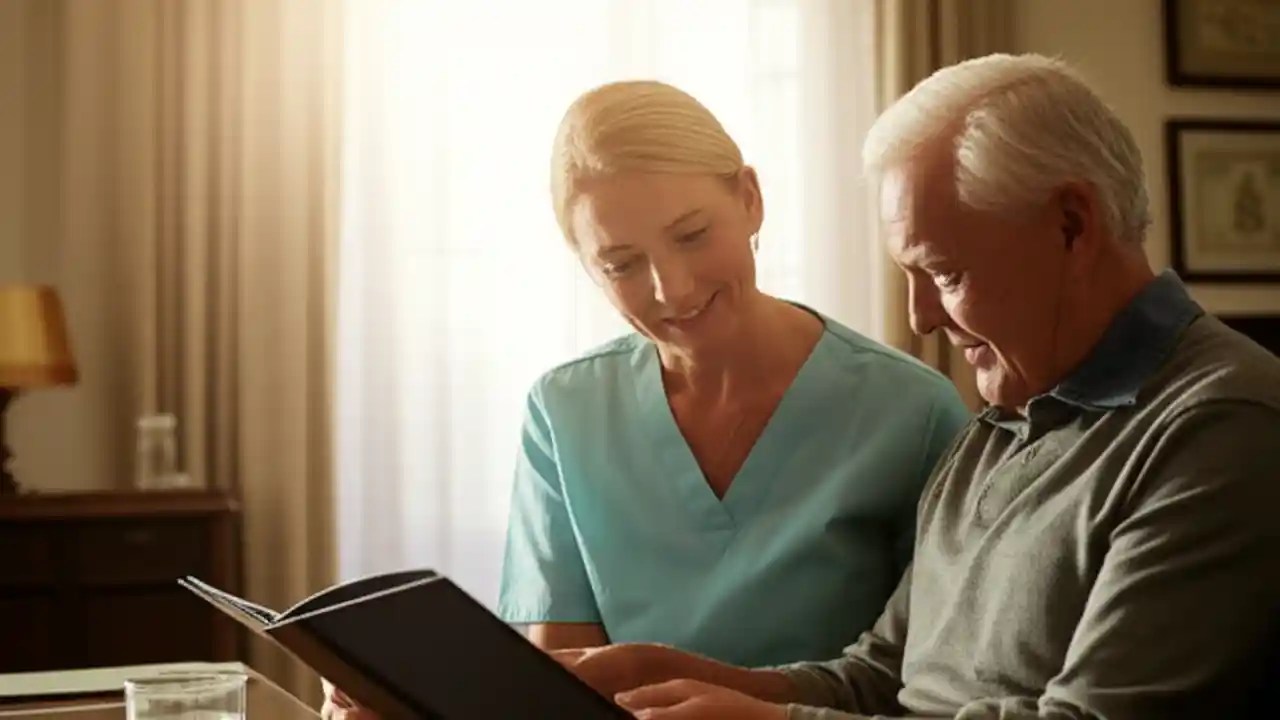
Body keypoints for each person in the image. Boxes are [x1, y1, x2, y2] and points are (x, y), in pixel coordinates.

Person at [556, 54, 1280, 720]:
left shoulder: (1223, 427)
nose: (921, 317)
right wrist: (673, 675)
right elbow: (880, 679)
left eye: (945, 274)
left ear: (1071, 224)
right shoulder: (999, 429)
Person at [321, 79, 971, 719]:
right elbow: (558, 696)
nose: (672, 288)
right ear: (586, 267)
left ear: (749, 199)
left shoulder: (911, 414)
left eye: (691, 236)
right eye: (622, 264)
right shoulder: (565, 411)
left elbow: (934, 688)